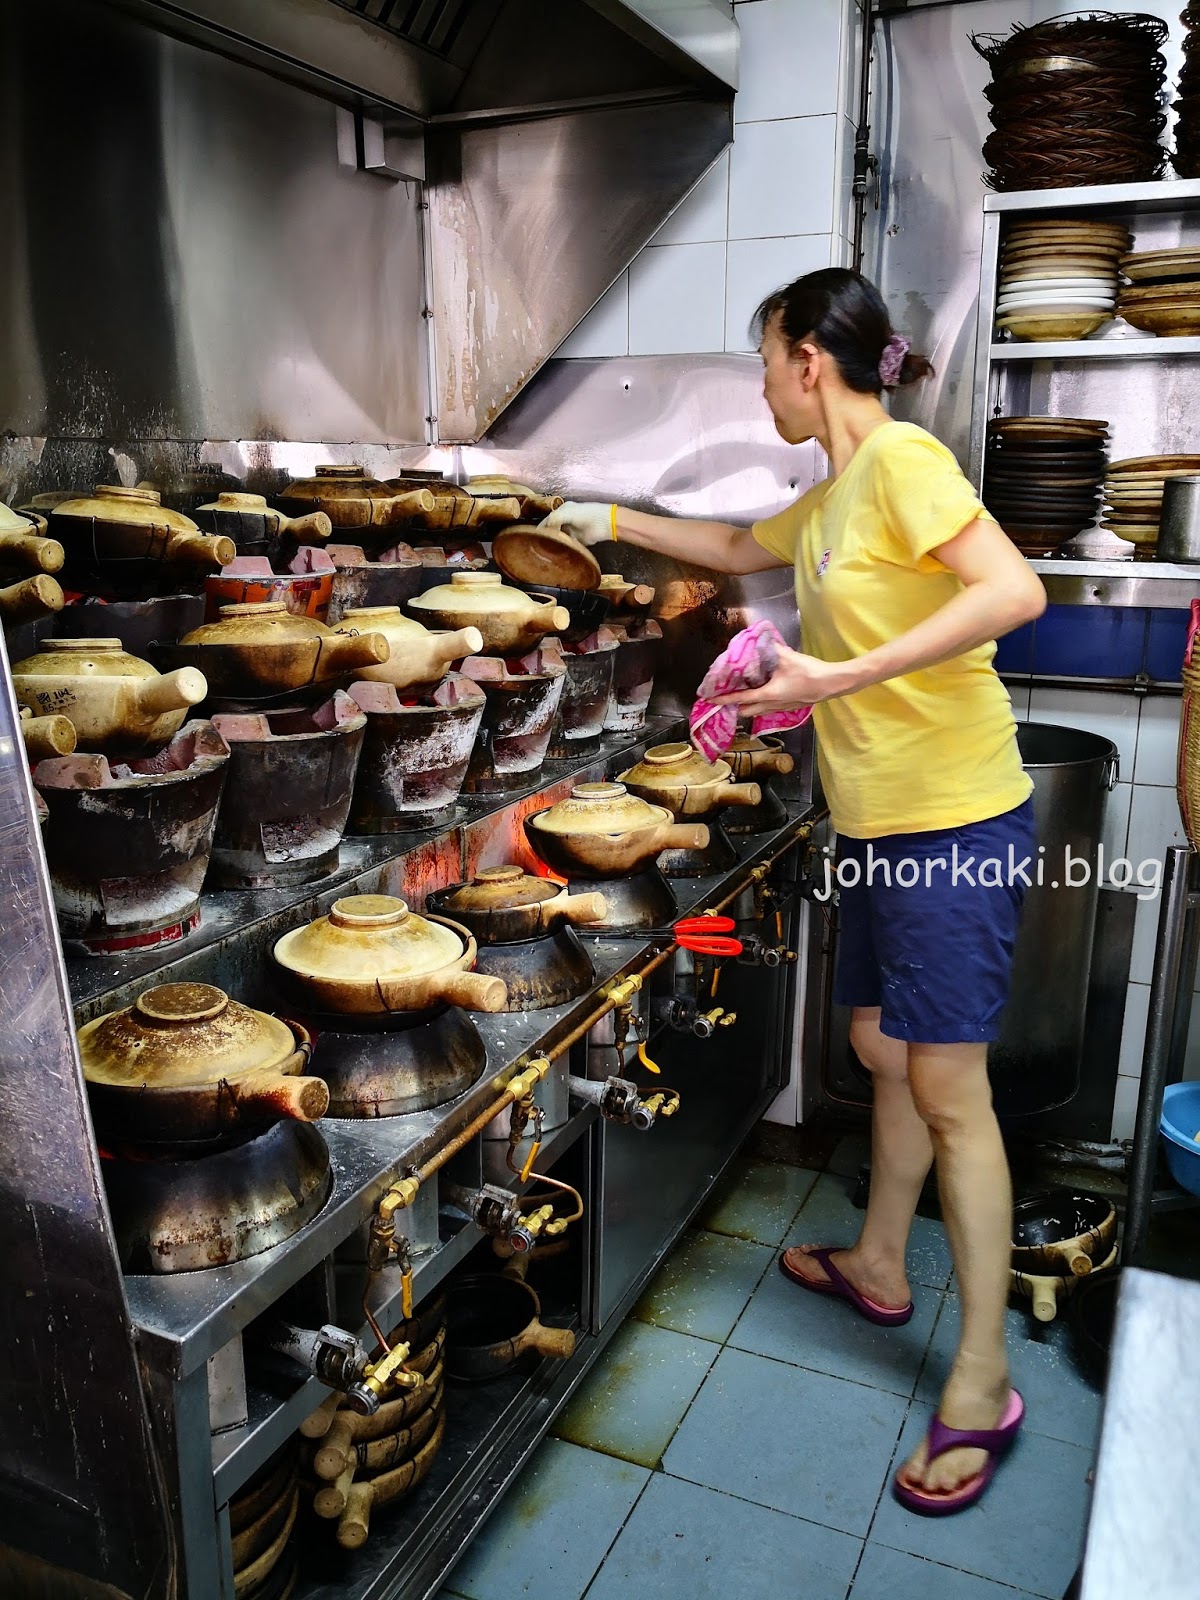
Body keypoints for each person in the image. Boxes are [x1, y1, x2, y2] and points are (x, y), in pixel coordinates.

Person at [540, 267, 1047, 1516]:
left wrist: (838, 674)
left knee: (947, 1087)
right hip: (884, 823)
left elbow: (1015, 591)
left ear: (811, 360)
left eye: (766, 358)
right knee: (881, 1047)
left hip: (956, 818)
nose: (763, 381)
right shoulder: (829, 496)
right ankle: (882, 1261)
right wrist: (585, 513)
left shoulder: (904, 464)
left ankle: (981, 1380)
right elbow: (721, 545)